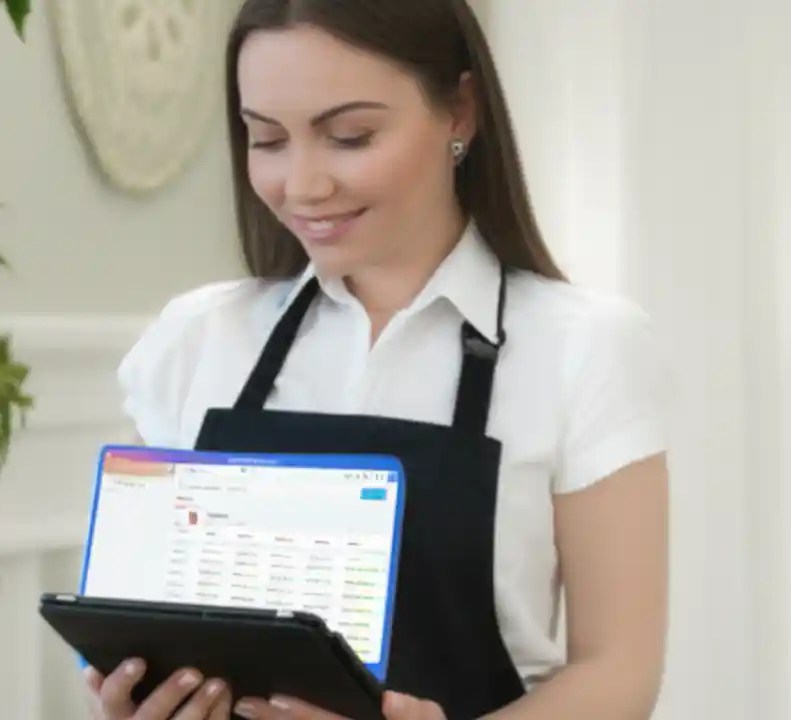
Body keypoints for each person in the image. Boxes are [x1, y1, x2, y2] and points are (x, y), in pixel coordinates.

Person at [83, 0, 671, 718]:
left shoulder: (585, 347)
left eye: (350, 136)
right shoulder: (197, 338)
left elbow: (619, 673)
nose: (302, 185)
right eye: (267, 139)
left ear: (460, 110)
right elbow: (159, 636)